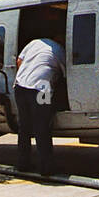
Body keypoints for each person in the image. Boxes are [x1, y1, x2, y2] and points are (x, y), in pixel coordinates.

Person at [14, 34, 65, 176]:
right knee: (42, 126)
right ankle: (46, 167)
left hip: (20, 85)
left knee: (24, 126)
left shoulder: (34, 42)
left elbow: (19, 60)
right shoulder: (60, 51)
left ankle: (22, 164)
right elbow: (66, 75)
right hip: (42, 87)